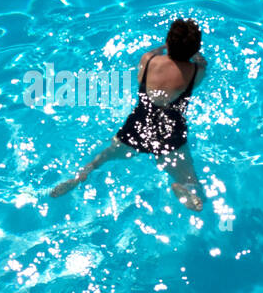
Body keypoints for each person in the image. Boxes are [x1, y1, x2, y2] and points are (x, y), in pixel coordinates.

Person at [51, 18, 207, 210]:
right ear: (193, 48)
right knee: (189, 175)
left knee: (107, 154)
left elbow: (147, 66)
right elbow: (199, 65)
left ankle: (81, 174)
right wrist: (198, 58)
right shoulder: (194, 72)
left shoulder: (148, 60)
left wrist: (162, 47)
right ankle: (187, 189)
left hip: (139, 122)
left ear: (168, 41)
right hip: (170, 128)